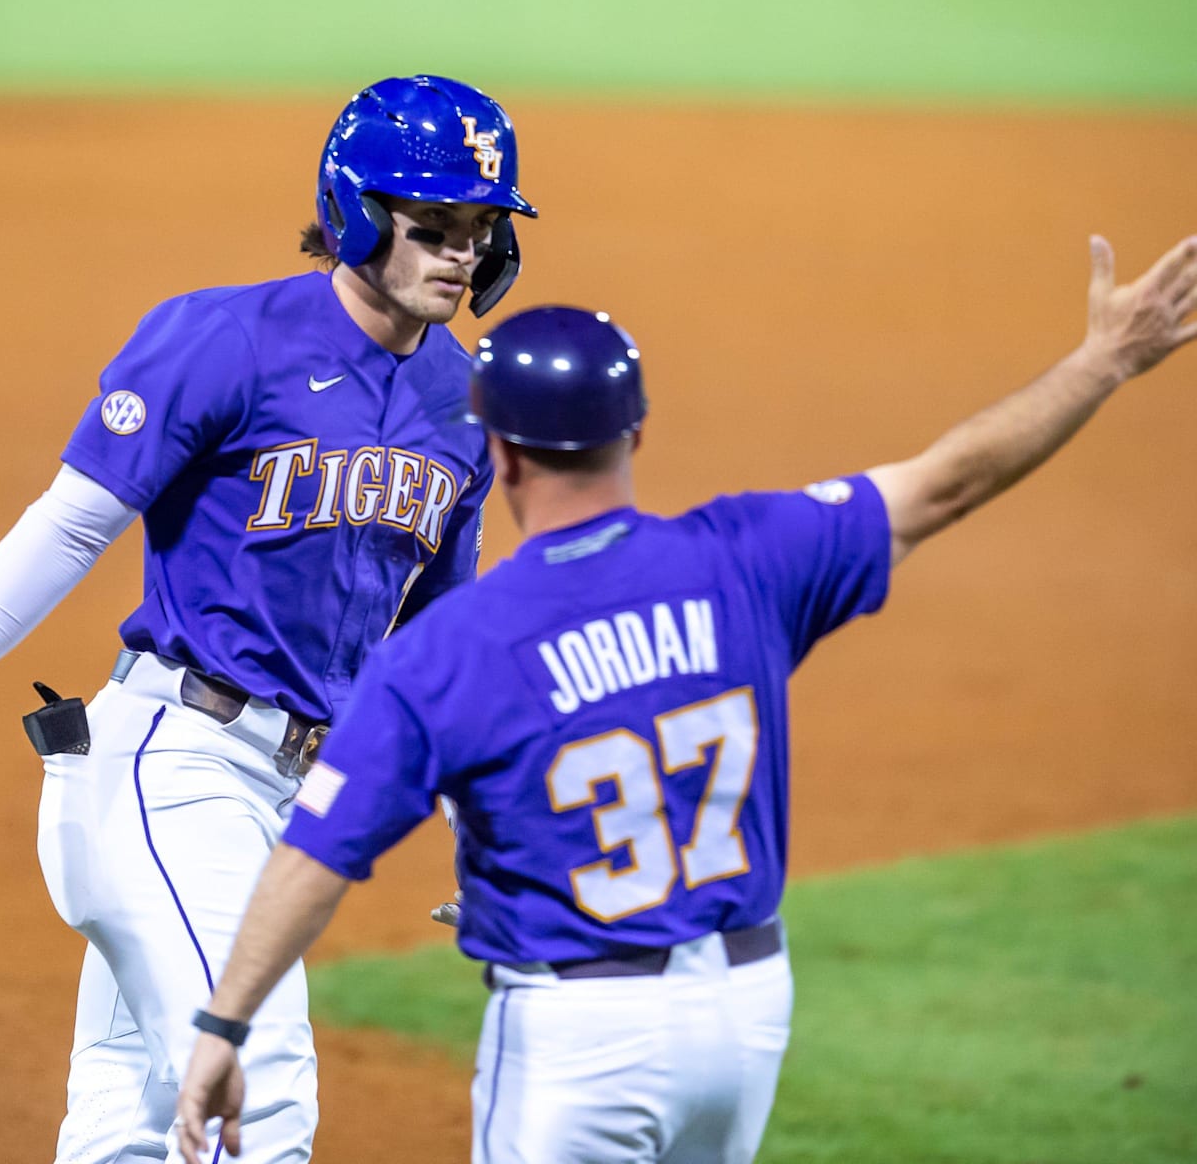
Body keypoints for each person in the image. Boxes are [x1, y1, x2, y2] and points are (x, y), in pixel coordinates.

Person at [174, 234, 1196, 1164]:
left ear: (500, 450)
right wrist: (1105, 359)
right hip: (747, 1015)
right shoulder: (748, 556)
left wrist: (224, 1026)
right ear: (635, 432)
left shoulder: (456, 645)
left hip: (579, 1035)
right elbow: (947, 483)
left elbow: (318, 853)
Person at [0, 74, 538, 1163]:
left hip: (288, 797)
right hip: (168, 765)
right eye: (433, 226)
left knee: (136, 1124)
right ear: (357, 213)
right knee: (261, 1082)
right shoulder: (226, 338)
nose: (460, 254)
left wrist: (491, 836)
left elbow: (440, 646)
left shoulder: (465, 402)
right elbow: (66, 531)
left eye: (480, 230)